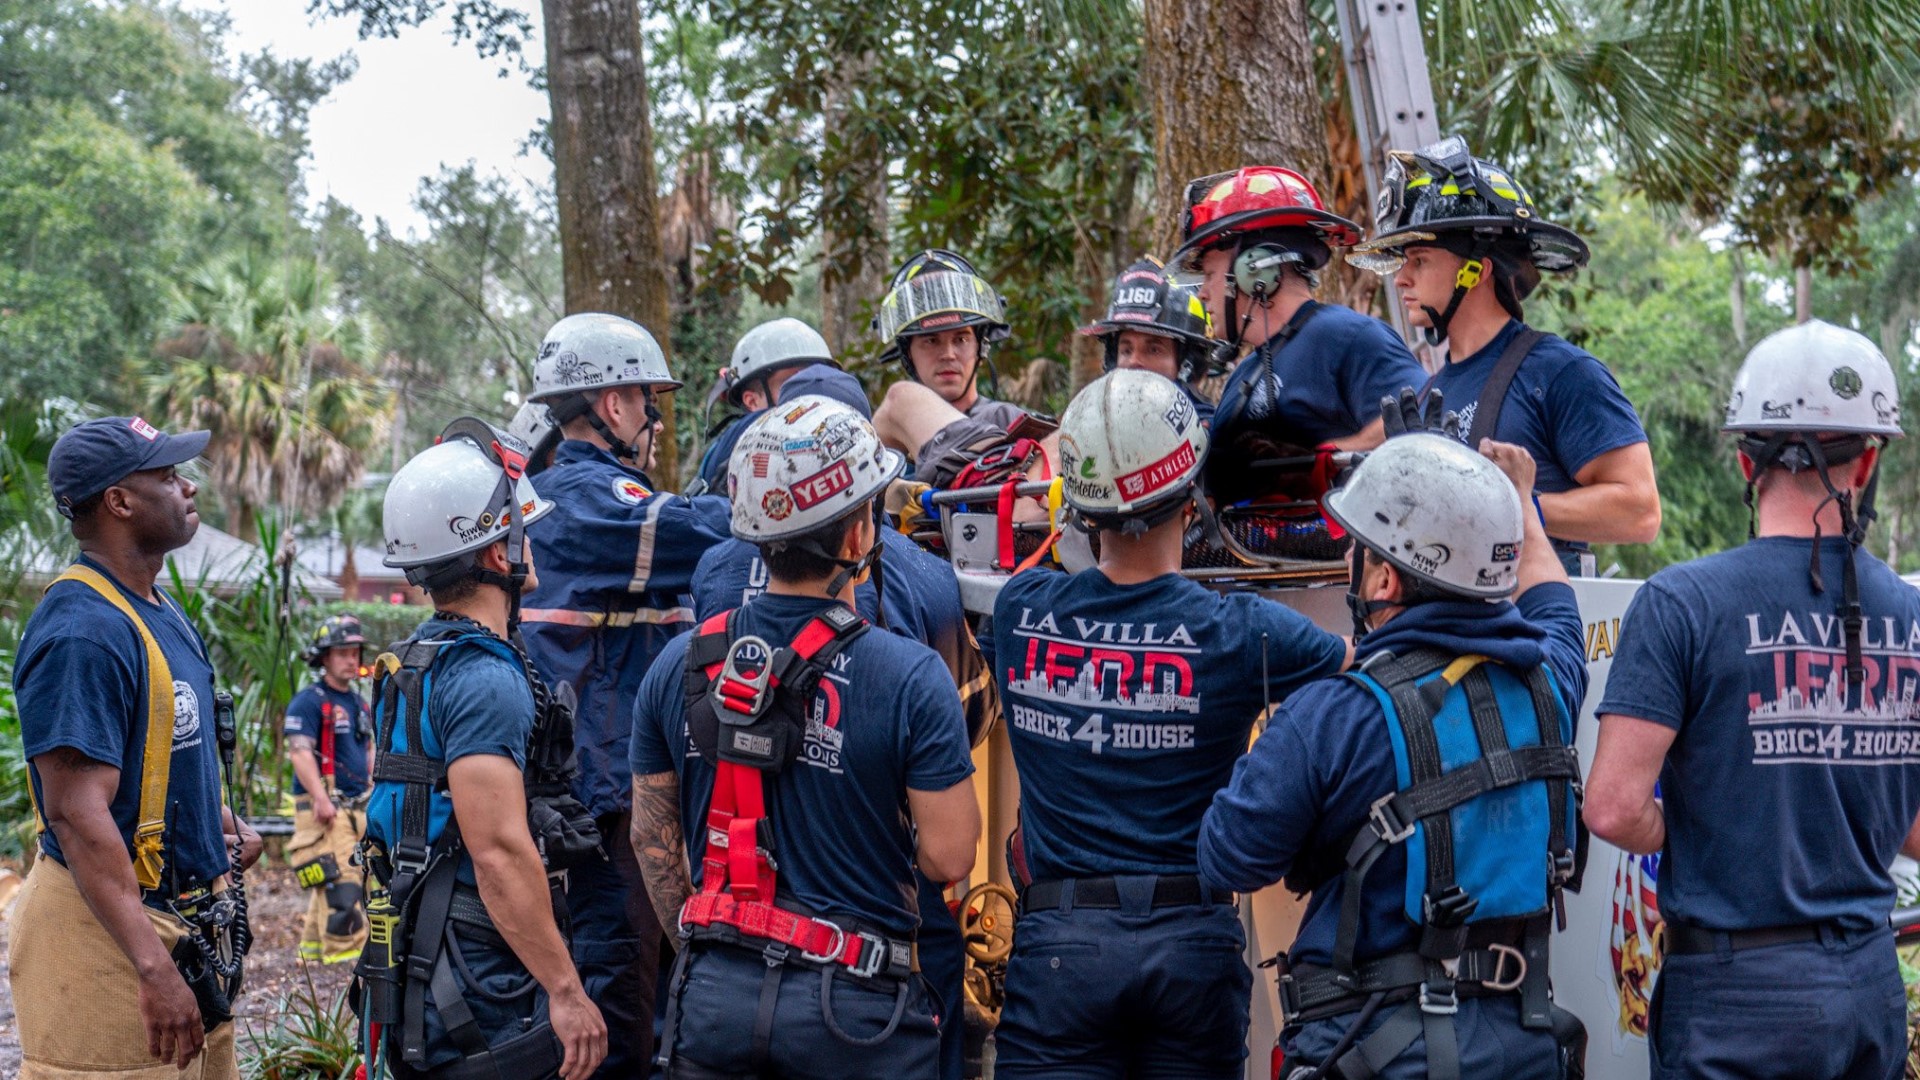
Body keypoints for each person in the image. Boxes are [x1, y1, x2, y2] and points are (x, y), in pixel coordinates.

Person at [983, 369, 1352, 1079]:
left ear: (1081, 509)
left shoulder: (1020, 610)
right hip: (1193, 946)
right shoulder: (1243, 632)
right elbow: (1364, 666)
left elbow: (1051, 530)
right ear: (1193, 500)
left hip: (1061, 945)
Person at [1198, 423, 1589, 1080]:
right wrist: (1521, 501)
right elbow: (1554, 600)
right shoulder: (1551, 683)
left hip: (1369, 1052)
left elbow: (1227, 857)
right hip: (1523, 1047)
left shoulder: (1332, 715)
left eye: (1358, 552)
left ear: (1382, 578)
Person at [1584, 320, 1920, 1080]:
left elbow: (1611, 808)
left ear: (1745, 460)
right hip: (1867, 986)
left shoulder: (1682, 603)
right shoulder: (1913, 617)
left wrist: (1714, 822)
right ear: (1866, 463)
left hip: (1735, 996)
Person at [631, 397, 981, 1078]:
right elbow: (949, 856)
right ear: (857, 538)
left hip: (712, 1006)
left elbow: (653, 842)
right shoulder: (909, 676)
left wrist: (709, 948)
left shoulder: (678, 665)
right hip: (855, 1016)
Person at [9, 415, 263, 1080]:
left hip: (180, 935)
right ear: (120, 502)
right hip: (111, 946)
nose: (189, 488)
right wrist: (151, 964)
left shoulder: (155, 610)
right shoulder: (81, 632)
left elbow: (150, 762)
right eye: (169, 476)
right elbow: (76, 812)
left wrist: (212, 828)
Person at [517, 312, 733, 1076]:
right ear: (614, 406)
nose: (654, 421)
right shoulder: (594, 499)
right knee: (619, 993)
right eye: (648, 401)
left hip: (568, 794)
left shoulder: (540, 497)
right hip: (604, 801)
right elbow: (714, 529)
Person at [358, 419, 607, 1080]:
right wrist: (564, 989)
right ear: (499, 555)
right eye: (526, 529)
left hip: (422, 957)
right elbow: (497, 852)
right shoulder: (486, 678)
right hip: (475, 976)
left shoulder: (415, 659)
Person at [1347, 135, 1661, 570]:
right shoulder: (1427, 399)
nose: (1401, 279)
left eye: (1418, 260)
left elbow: (1640, 512)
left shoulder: (1559, 373)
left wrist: (1504, 507)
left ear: (1476, 271)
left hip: (1542, 628)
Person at [1170, 166, 1428, 505]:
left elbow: (1421, 425)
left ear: (1255, 270)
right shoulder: (1243, 377)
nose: (1202, 294)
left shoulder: (1347, 337)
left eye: (1209, 275)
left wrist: (1320, 463)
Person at [870, 249, 1055, 490]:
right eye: (931, 340)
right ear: (907, 354)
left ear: (982, 346)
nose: (948, 354)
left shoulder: (1008, 419)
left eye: (961, 339)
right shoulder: (887, 429)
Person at [284, 613, 375, 964]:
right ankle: (344, 963)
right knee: (343, 888)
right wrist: (322, 799)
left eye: (355, 653)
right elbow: (299, 752)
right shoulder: (309, 701)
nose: (352, 660)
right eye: (343, 653)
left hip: (355, 808)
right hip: (325, 809)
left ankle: (312, 956)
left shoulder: (358, 703)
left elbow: (367, 750)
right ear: (325, 657)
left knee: (334, 879)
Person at [698, 317, 842, 491]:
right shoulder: (739, 453)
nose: (810, 389)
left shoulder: (839, 428)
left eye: (817, 377)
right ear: (752, 401)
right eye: (793, 382)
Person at [1077, 256, 1224, 422]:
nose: (1134, 361)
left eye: (1153, 350)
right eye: (1126, 350)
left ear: (1187, 366)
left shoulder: (1210, 436)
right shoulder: (1093, 421)